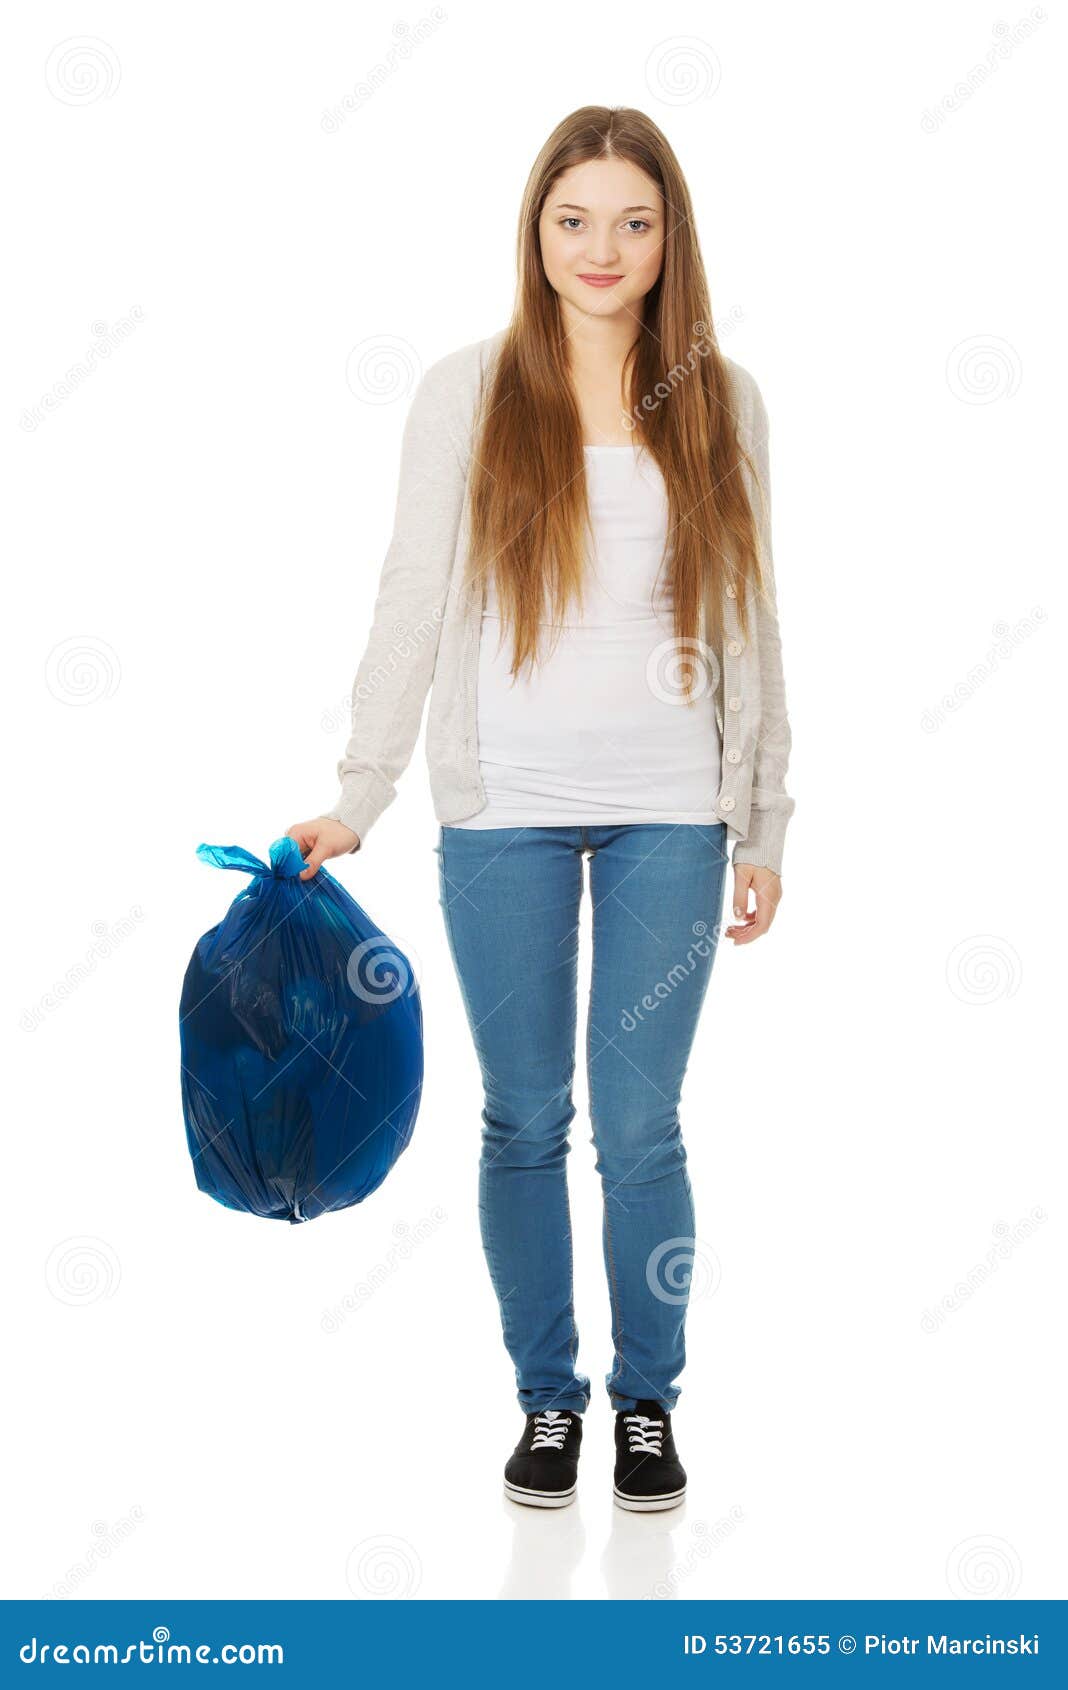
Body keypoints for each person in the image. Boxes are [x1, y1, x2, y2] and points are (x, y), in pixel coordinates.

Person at [287, 105, 795, 1512]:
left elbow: (751, 621)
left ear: (669, 238)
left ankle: (647, 1403)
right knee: (524, 1116)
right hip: (500, 804)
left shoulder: (720, 397)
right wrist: (361, 792)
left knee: (640, 1125)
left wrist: (763, 818)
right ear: (535, 230)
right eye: (574, 219)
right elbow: (413, 594)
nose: (603, 248)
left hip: (671, 817)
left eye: (635, 221)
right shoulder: (467, 391)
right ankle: (547, 1401)